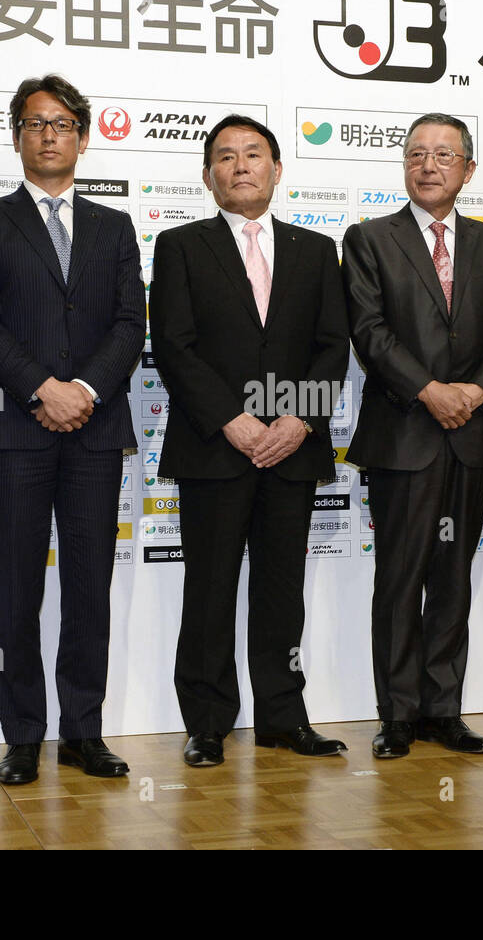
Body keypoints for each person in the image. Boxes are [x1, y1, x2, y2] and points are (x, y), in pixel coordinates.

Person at [0, 75, 144, 784]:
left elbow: (132, 322)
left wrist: (86, 391)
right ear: (17, 137)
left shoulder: (114, 226)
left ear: (83, 136)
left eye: (62, 123)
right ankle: (23, 736)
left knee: (89, 585)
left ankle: (84, 733)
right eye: (35, 124)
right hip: (18, 430)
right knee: (18, 592)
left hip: (95, 432)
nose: (49, 135)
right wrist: (41, 388)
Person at [149, 116, 350, 767]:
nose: (241, 166)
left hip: (293, 450)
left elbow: (331, 347)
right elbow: (174, 347)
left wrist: (297, 420)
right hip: (215, 449)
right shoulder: (180, 246)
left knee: (281, 591)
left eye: (254, 154)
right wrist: (233, 420)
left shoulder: (317, 250)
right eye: (226, 157)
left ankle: (283, 717)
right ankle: (207, 721)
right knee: (208, 589)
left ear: (276, 170)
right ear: (210, 176)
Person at [343, 113, 483, 759]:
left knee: (452, 577)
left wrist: (473, 394)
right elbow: (370, 333)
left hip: (470, 437)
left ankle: (442, 710)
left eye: (445, 156)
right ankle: (397, 714)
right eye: (418, 154)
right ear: (404, 165)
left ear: (468, 170)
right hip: (402, 436)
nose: (429, 165)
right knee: (398, 579)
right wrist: (430, 392)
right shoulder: (369, 238)